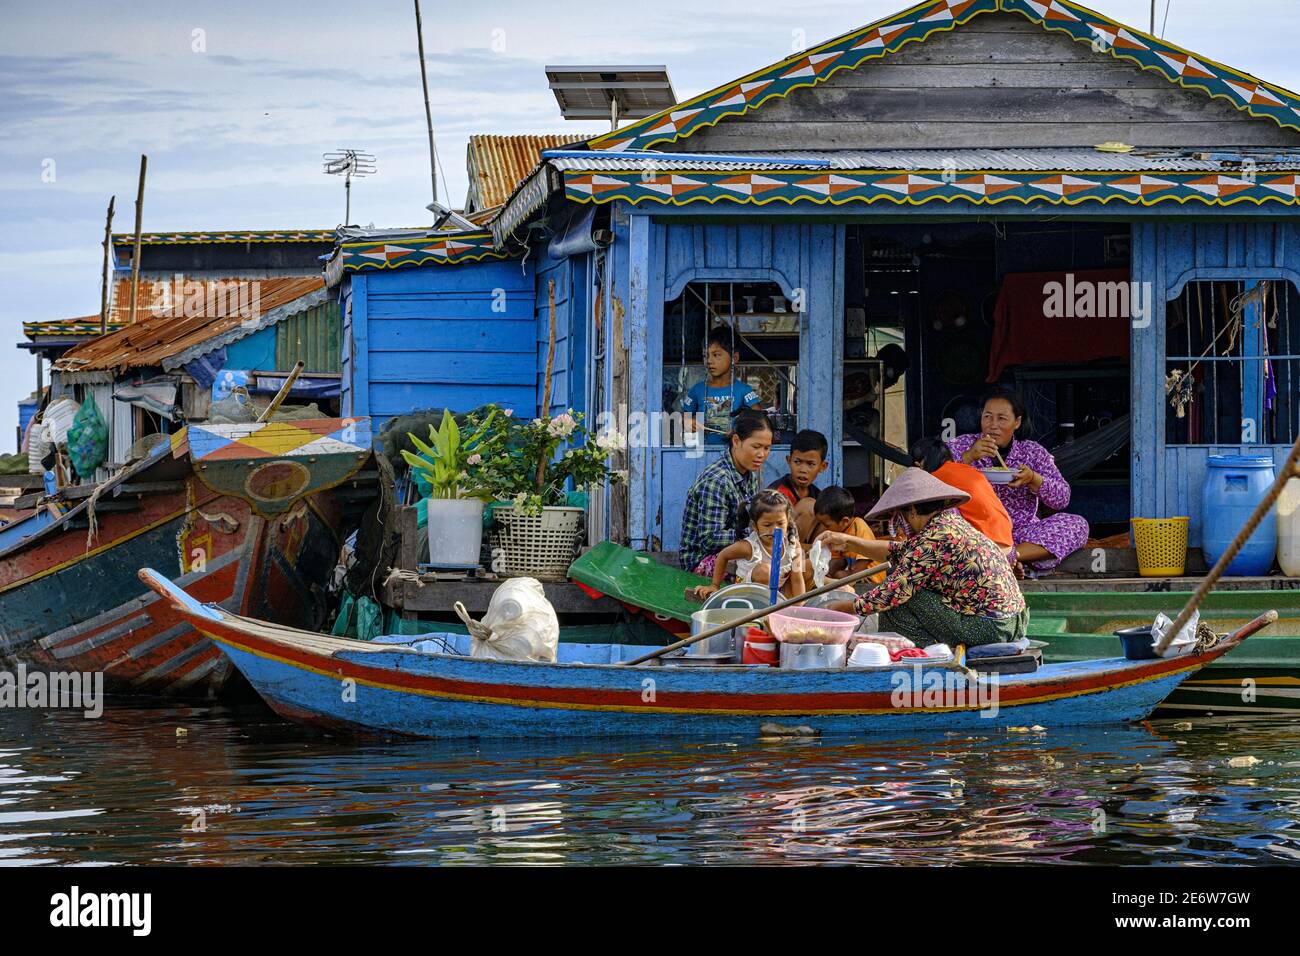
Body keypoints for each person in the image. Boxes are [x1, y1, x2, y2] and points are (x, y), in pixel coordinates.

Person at [823, 468, 1027, 647]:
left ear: (911, 511)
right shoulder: (948, 524)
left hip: (992, 627)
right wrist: (848, 542)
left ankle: (917, 656)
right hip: (1011, 621)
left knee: (899, 598)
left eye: (900, 515)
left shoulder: (934, 538)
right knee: (898, 578)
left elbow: (893, 592)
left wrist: (846, 607)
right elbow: (897, 551)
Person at [948, 387, 1089, 576]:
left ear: (1017, 422)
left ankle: (1010, 557)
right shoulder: (960, 445)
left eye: (1001, 418)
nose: (992, 425)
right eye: (987, 417)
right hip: (975, 532)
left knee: (1077, 524)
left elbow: (1062, 498)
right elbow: (932, 480)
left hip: (1021, 533)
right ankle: (1003, 559)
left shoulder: (1031, 452)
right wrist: (967, 457)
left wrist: (1033, 479)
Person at [679, 408, 774, 574]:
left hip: (737, 550)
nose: (762, 454)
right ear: (736, 441)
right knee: (765, 571)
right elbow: (710, 539)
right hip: (703, 561)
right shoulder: (717, 481)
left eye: (767, 448)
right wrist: (755, 534)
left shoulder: (748, 473)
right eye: (756, 446)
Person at [690, 490, 805, 601]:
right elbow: (723, 555)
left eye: (780, 524)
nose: (774, 530)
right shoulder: (749, 547)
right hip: (746, 596)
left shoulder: (793, 545)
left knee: (807, 566)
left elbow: (797, 580)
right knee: (765, 571)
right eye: (767, 525)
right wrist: (715, 585)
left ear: (788, 522)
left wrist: (799, 610)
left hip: (776, 595)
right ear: (755, 526)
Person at [910, 437, 1014, 555]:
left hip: (988, 550)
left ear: (919, 465)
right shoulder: (970, 470)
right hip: (1008, 545)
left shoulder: (935, 479)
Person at [680, 326, 761, 444]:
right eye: (705, 355)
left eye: (716, 355)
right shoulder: (697, 390)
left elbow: (759, 419)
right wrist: (688, 422)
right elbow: (682, 418)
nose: (709, 361)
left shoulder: (744, 390)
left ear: (734, 358)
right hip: (702, 455)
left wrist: (740, 430)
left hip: (734, 455)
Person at [810, 485, 886, 585]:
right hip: (851, 571)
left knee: (839, 576)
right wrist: (827, 573)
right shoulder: (837, 532)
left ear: (844, 521)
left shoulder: (859, 527)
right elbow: (837, 560)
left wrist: (849, 580)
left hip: (870, 577)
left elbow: (864, 561)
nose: (824, 528)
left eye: (827, 525)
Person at [768, 428, 829, 544]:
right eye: (797, 462)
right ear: (789, 460)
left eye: (810, 464)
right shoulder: (777, 492)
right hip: (778, 545)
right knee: (809, 507)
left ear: (822, 466)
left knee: (826, 513)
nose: (803, 470)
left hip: (804, 544)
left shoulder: (818, 494)